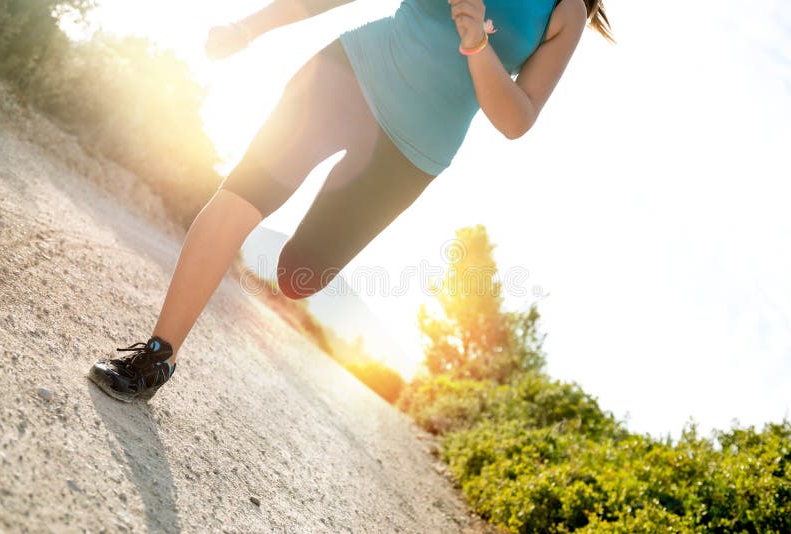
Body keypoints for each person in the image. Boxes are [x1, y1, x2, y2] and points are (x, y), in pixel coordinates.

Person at [88, 0, 613, 403]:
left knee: (299, 278)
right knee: (240, 198)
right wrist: (250, 27)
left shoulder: (564, 12)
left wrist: (477, 45)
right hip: (346, 75)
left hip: (410, 155)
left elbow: (517, 118)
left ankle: (294, 260)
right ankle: (157, 357)